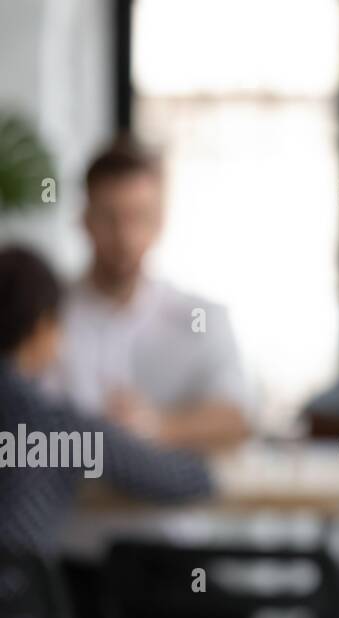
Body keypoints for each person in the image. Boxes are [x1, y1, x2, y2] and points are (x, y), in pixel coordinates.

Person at [0, 245, 214, 561]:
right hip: (16, 604)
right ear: (44, 327)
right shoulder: (55, 428)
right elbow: (189, 480)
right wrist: (149, 429)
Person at [47, 135, 255, 452]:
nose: (124, 236)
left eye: (138, 217)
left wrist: (157, 426)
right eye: (109, 218)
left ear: (159, 222)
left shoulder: (199, 318)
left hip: (168, 502)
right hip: (65, 501)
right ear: (86, 220)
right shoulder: (45, 314)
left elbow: (238, 418)